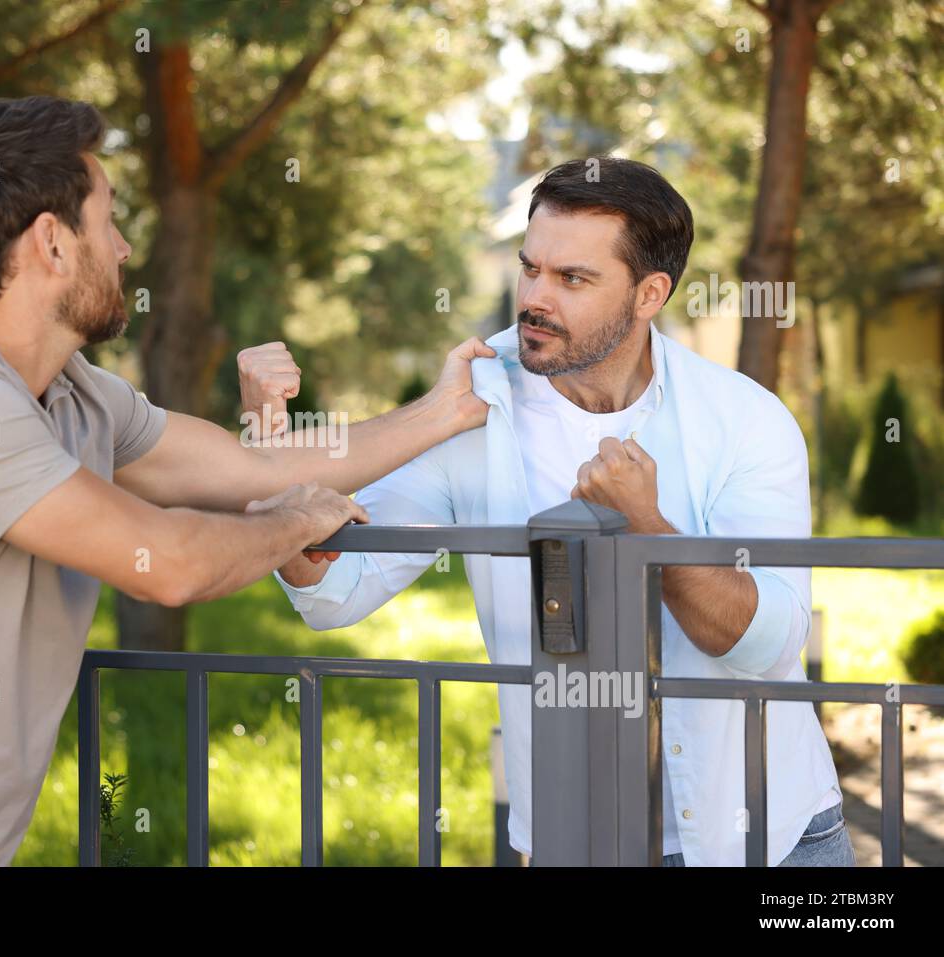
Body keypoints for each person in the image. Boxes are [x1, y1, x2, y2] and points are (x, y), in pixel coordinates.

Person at [0, 95, 493, 865]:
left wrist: (444, 410)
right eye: (110, 219)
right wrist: (295, 521)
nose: (122, 249)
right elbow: (168, 562)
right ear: (52, 242)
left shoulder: (74, 392)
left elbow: (253, 467)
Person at [275, 157, 854, 867]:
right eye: (530, 269)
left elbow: (767, 645)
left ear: (649, 294)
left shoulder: (746, 420)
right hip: (576, 839)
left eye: (572, 278)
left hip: (770, 836)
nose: (534, 299)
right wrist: (279, 491)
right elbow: (336, 591)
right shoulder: (471, 409)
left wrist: (647, 531)